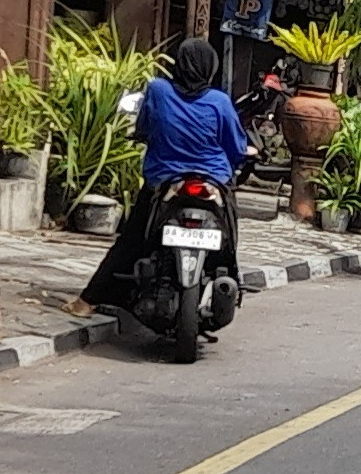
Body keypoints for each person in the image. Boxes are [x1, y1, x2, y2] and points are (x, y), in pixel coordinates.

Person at [80, 38, 247, 312]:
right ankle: (233, 275)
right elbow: (236, 147)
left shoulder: (158, 90)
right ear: (211, 67)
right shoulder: (220, 102)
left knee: (132, 238)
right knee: (228, 226)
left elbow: (144, 126)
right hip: (213, 180)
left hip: (164, 179)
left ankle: (89, 300)